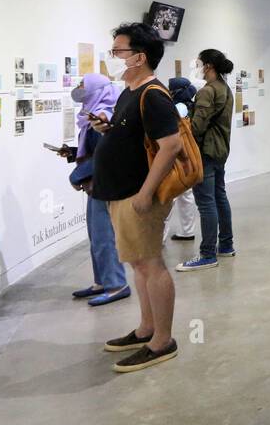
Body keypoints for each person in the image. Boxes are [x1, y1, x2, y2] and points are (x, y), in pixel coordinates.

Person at [89, 22, 184, 373]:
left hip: (137, 195)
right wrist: (107, 127)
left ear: (140, 57)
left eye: (119, 51)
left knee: (150, 264)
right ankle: (147, 328)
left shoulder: (154, 94)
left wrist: (146, 194)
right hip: (121, 193)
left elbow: (170, 145)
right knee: (139, 264)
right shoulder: (131, 91)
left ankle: (163, 341)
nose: (113, 56)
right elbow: (133, 136)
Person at [56, 73, 129, 305]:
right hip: (97, 183)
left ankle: (117, 284)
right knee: (96, 235)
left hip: (106, 183)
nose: (78, 89)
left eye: (83, 85)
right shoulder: (92, 116)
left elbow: (105, 153)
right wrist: (73, 153)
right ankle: (102, 281)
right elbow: (93, 149)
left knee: (104, 235)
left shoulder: (104, 115)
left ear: (97, 90)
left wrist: (77, 174)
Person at [177, 49, 235, 271]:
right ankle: (226, 245)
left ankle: (208, 254)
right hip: (220, 151)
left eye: (199, 63)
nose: (197, 67)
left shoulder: (207, 92)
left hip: (206, 152)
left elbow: (197, 127)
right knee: (219, 196)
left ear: (208, 66)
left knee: (206, 202)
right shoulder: (225, 89)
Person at [163, 76, 199, 243]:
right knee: (185, 194)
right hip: (188, 155)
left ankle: (160, 237)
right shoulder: (190, 106)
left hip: (178, 156)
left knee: (170, 195)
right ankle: (187, 231)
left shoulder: (179, 108)